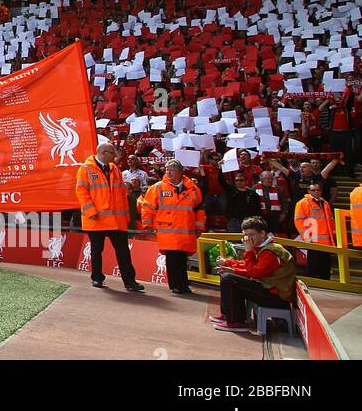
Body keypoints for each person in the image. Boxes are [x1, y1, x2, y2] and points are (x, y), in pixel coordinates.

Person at [75, 142, 145, 292]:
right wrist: (91, 211)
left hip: (116, 220)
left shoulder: (115, 169)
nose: (115, 157)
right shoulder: (85, 169)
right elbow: (81, 192)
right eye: (113, 154)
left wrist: (126, 215)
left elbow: (121, 194)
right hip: (96, 219)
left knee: (123, 251)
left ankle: (130, 281)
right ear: (103, 153)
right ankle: (97, 278)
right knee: (96, 251)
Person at [212, 216, 298, 333]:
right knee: (226, 275)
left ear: (262, 234)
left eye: (251, 234)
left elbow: (254, 273)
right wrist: (229, 265)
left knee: (229, 279)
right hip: (268, 288)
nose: (247, 238)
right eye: (245, 235)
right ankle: (228, 315)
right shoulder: (262, 248)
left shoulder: (271, 251)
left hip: (276, 296)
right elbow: (249, 267)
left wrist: (247, 252)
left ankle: (237, 322)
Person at [138, 160, 205, 295]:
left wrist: (199, 228)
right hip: (167, 230)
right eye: (167, 170)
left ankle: (182, 285)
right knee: (172, 259)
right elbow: (147, 207)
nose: (168, 172)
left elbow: (200, 210)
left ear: (180, 172)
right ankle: (176, 285)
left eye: (172, 170)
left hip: (185, 230)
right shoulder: (157, 188)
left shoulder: (193, 189)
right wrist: (148, 224)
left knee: (182, 258)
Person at [293, 182, 336, 279]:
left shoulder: (325, 203)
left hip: (326, 242)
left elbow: (330, 221)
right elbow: (299, 221)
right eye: (313, 190)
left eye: (318, 190)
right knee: (313, 267)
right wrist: (307, 238)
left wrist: (332, 236)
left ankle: (325, 284)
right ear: (308, 191)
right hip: (313, 240)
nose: (316, 192)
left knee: (325, 268)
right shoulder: (302, 203)